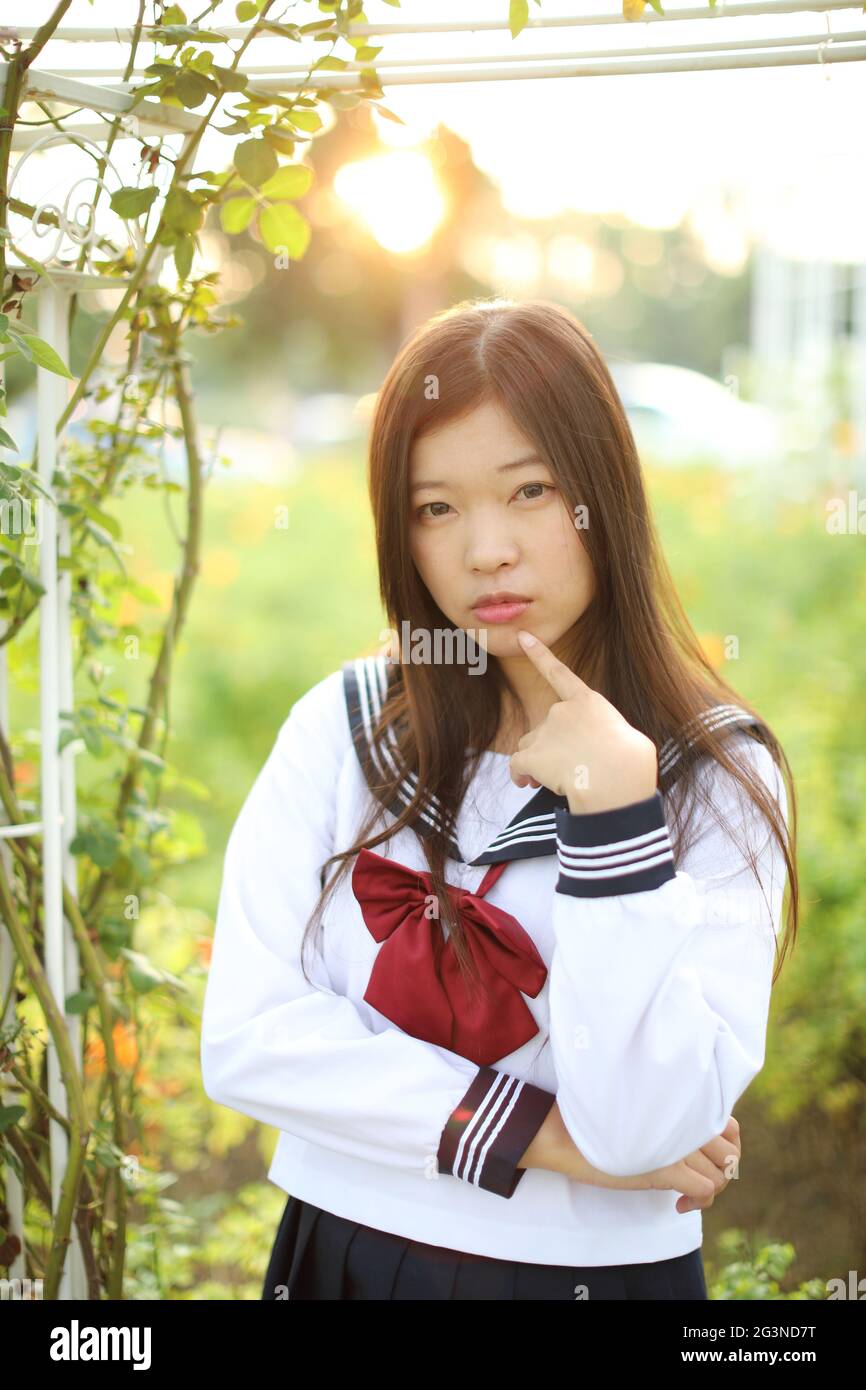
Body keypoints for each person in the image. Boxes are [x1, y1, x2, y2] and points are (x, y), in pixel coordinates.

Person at [200, 298, 798, 1301]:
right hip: (347, 1250)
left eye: (529, 491)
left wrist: (614, 822)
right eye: (435, 508)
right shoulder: (342, 731)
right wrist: (540, 1134)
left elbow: (646, 1128)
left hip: (590, 1276)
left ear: (601, 494)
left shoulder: (712, 772)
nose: (484, 551)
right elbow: (250, 1040)